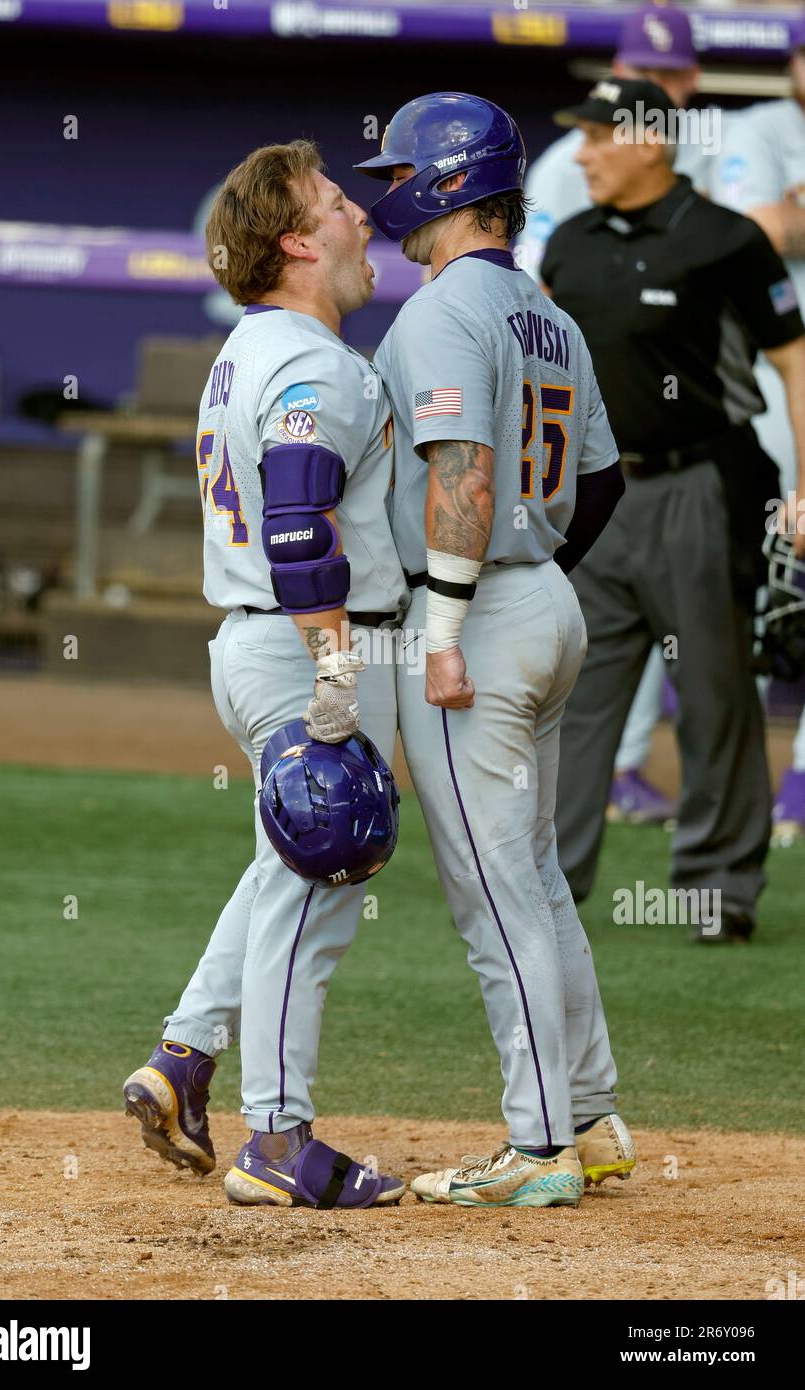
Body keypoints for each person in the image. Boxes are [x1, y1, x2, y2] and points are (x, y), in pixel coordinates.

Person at [355, 92, 636, 1209]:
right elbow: (605, 479)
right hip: (541, 606)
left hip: (466, 619)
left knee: (495, 894)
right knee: (540, 883)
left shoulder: (436, 312)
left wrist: (447, 625)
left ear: (446, 180)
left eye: (398, 172)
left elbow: (463, 476)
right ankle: (592, 1114)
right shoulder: (544, 311)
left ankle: (536, 1143)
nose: (387, 193)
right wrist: (531, 572)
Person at [123, 139, 409, 1208]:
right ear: (296, 240)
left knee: (283, 866)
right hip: (307, 644)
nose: (360, 216)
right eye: (337, 203)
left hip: (258, 638)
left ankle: (185, 1058)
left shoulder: (252, 348)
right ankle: (279, 1141)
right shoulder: (310, 360)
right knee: (317, 886)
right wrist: (335, 663)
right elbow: (297, 522)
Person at [541, 79, 805, 943]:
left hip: (704, 486)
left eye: (596, 137)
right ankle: (551, 883)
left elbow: (795, 360)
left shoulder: (727, 240)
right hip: (596, 494)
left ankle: (719, 891)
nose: (580, 154)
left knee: (716, 688)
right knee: (576, 691)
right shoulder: (571, 246)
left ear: (649, 141)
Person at [520, 1, 710, 826]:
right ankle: (571, 784)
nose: (653, 88)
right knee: (578, 613)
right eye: (642, 74)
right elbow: (534, 292)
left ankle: (625, 776)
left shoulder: (699, 156)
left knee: (656, 622)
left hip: (669, 428)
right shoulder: (571, 164)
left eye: (668, 76)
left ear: (689, 82)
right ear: (618, 73)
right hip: (584, 419)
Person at [712, 18, 805, 843]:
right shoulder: (764, 129)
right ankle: (725, 788)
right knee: (755, 594)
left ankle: (801, 785)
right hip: (777, 405)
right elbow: (765, 229)